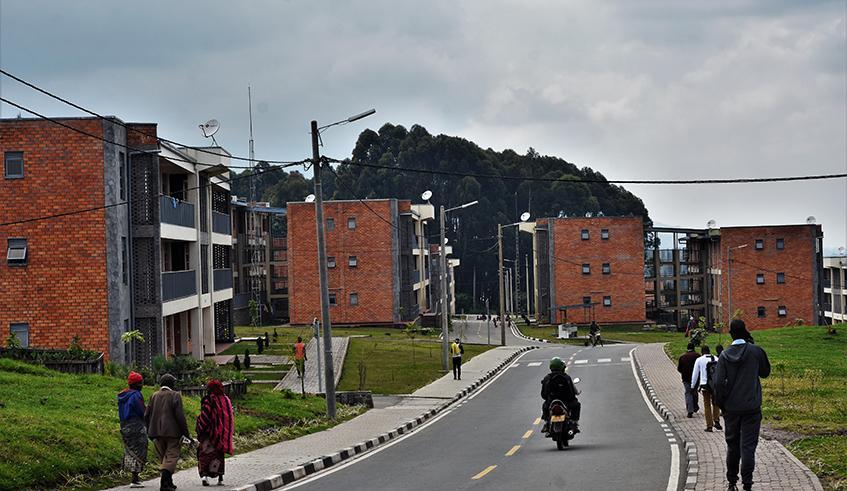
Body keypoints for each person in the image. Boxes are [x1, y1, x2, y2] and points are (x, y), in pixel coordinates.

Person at [714, 319, 771, 491]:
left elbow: (717, 383)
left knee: (733, 446)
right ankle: (747, 484)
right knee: (748, 447)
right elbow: (765, 372)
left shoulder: (724, 355)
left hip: (731, 408)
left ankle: (732, 483)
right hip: (751, 408)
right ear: (745, 331)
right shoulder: (755, 351)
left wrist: (721, 404)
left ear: (730, 333)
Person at [145, 373, 191, 491]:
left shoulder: (154, 395)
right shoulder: (175, 395)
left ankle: (169, 482)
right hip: (172, 433)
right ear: (171, 384)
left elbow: (146, 415)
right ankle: (164, 484)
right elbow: (180, 416)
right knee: (171, 457)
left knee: (163, 458)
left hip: (155, 432)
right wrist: (186, 433)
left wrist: (149, 429)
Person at [196, 379, 234, 487]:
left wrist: (200, 427)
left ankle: (204, 477)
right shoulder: (226, 400)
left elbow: (205, 415)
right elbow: (228, 417)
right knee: (218, 455)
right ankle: (220, 478)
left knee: (204, 454)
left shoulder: (209, 400)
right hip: (220, 434)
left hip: (209, 434)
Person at [117, 371, 147, 488]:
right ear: (137, 384)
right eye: (141, 383)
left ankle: (133, 477)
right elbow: (141, 411)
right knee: (139, 450)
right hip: (136, 425)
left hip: (124, 425)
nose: (142, 385)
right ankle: (135, 478)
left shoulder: (122, 395)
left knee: (129, 449)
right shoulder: (136, 395)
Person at [540, 357, 580, 433]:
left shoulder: (547, 378)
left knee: (545, 406)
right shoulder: (566, 377)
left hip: (551, 401)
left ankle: (547, 423)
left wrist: (548, 398)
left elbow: (543, 395)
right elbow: (572, 392)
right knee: (577, 405)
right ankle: (574, 423)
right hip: (566, 402)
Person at [691, 345, 722, 432]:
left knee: (707, 405)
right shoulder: (716, 358)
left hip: (705, 386)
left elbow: (695, 374)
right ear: (709, 351)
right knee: (716, 403)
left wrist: (693, 386)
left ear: (702, 352)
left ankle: (709, 426)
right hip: (715, 385)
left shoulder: (699, 360)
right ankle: (716, 420)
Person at [677, 342, 700, 418]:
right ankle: (695, 407)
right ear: (694, 348)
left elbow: (679, 369)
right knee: (694, 391)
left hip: (686, 378)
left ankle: (690, 410)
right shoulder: (697, 356)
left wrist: (683, 372)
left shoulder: (682, 357)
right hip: (696, 378)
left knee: (688, 393)